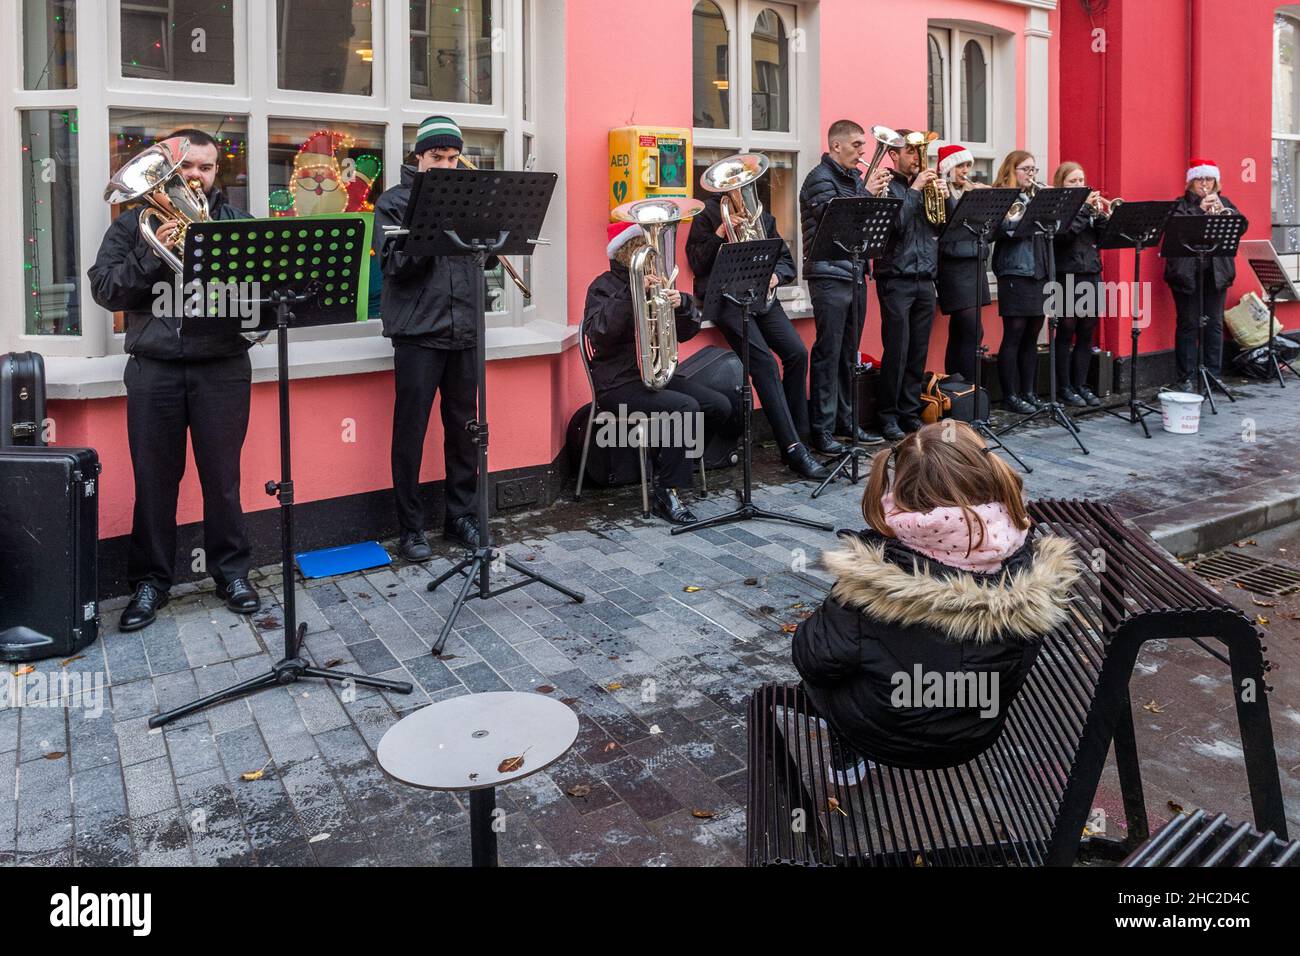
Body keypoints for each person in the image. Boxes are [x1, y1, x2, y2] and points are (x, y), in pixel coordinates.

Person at [791, 421, 1081, 774]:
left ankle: (849, 758)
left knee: (827, 673)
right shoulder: (1030, 562)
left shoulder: (874, 582)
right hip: (977, 730)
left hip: (885, 736)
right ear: (988, 475)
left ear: (901, 491)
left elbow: (812, 659)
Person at [89, 128, 261, 632]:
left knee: (223, 481)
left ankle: (231, 574)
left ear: (216, 174)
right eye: (185, 168)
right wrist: (150, 254)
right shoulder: (133, 226)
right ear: (168, 170)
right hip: (154, 369)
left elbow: (262, 288)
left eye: (205, 168)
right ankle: (149, 582)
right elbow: (106, 290)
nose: (194, 177)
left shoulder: (233, 223)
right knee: (155, 482)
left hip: (223, 367)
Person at [374, 116, 491, 563]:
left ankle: (459, 516)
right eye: (436, 157)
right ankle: (411, 527)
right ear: (418, 157)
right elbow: (396, 268)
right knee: (411, 432)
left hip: (465, 330)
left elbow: (489, 261)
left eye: (451, 156)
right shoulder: (393, 202)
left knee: (464, 430)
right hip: (418, 333)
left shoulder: (468, 197)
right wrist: (432, 221)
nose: (445, 163)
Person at [584, 222, 732, 524]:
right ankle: (668, 491)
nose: (651, 257)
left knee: (719, 406)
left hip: (655, 374)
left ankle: (669, 464)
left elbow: (684, 335)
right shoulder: (604, 286)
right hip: (618, 382)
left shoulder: (658, 281)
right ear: (626, 252)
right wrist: (633, 293)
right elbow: (600, 333)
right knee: (685, 407)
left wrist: (682, 305)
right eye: (641, 247)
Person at [685, 192, 828, 481]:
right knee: (764, 365)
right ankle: (792, 448)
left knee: (797, 353)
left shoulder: (762, 217)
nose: (742, 193)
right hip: (728, 301)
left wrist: (775, 276)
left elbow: (785, 261)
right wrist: (720, 233)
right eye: (736, 188)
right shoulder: (707, 215)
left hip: (762, 297)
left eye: (747, 186)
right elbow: (697, 264)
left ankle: (799, 434)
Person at [799, 120, 890, 454]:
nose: (862, 152)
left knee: (848, 353)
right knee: (828, 352)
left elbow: (865, 227)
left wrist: (875, 196)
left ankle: (847, 423)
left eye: (864, 146)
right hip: (827, 274)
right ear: (835, 146)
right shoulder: (819, 179)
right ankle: (822, 430)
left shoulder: (851, 178)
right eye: (856, 145)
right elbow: (835, 223)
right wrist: (867, 193)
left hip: (853, 272)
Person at [874, 129, 946, 442]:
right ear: (894, 155)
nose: (917, 158)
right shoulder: (885, 185)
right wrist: (915, 190)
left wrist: (945, 196)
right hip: (896, 277)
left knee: (918, 351)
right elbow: (895, 226)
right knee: (897, 351)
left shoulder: (925, 185)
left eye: (919, 152)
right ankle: (887, 415)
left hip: (925, 276)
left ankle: (908, 412)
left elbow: (942, 225)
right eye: (911, 152)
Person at [1163, 157, 1248, 391]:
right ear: (1191, 182)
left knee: (1214, 324)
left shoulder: (1225, 202)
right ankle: (1186, 378)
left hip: (1217, 273)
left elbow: (1241, 227)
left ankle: (1213, 375)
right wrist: (1199, 211)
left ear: (1215, 181)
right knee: (1188, 324)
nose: (1205, 184)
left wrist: (1224, 211)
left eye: (1209, 179)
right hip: (1186, 274)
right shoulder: (1180, 205)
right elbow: (1175, 230)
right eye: (1200, 179)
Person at [991, 151, 1049, 414]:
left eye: (1034, 169)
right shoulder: (1003, 197)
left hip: (1037, 272)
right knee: (1013, 335)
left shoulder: (1036, 197)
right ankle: (1009, 395)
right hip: (1014, 272)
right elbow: (998, 231)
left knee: (1031, 337)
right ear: (1012, 170)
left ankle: (1029, 391)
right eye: (1026, 169)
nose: (1031, 174)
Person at [1052, 162, 1107, 407]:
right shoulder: (1058, 206)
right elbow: (1063, 237)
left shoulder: (1088, 209)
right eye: (1072, 181)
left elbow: (1105, 239)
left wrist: (1102, 217)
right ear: (1062, 184)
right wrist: (1084, 211)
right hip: (1067, 275)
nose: (1078, 185)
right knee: (1066, 331)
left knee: (1086, 332)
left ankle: (1081, 384)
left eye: (1080, 180)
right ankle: (1064, 387)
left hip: (1091, 272)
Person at [935, 144, 992, 383]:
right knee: (971, 329)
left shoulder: (971, 190)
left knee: (963, 331)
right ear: (948, 168)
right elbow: (944, 227)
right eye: (960, 166)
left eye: (968, 165)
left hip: (975, 263)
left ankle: (958, 385)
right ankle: (967, 386)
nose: (965, 171)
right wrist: (951, 199)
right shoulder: (941, 191)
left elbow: (987, 230)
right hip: (954, 267)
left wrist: (986, 199)